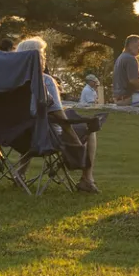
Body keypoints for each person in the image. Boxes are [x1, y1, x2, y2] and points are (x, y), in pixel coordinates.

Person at [20, 38, 104, 193]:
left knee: (32, 124)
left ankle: (19, 172)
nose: (44, 59)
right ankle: (87, 179)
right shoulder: (45, 81)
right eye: (43, 55)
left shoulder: (10, 81)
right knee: (89, 128)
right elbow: (59, 115)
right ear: (34, 58)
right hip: (45, 136)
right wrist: (75, 139)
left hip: (15, 135)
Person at [112, 35, 139, 107]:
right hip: (130, 98)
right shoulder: (130, 58)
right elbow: (134, 80)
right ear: (130, 45)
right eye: (138, 45)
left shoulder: (120, 58)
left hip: (119, 98)